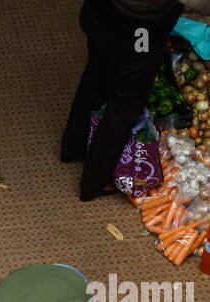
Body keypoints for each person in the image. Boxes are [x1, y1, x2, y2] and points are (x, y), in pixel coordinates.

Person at [59, 0, 184, 201]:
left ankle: (72, 147)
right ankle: (93, 183)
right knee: (124, 108)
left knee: (96, 75)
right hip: (138, 33)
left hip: (100, 15)